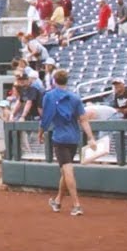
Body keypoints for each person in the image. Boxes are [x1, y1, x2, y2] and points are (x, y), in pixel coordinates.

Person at [40, 68, 96, 216]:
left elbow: (45, 118)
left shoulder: (49, 96)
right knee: (65, 171)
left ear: (54, 81)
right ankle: (57, 201)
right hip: (73, 138)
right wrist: (91, 137)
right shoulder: (75, 97)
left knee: (68, 171)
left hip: (59, 137)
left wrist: (40, 133)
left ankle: (77, 204)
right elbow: (83, 120)